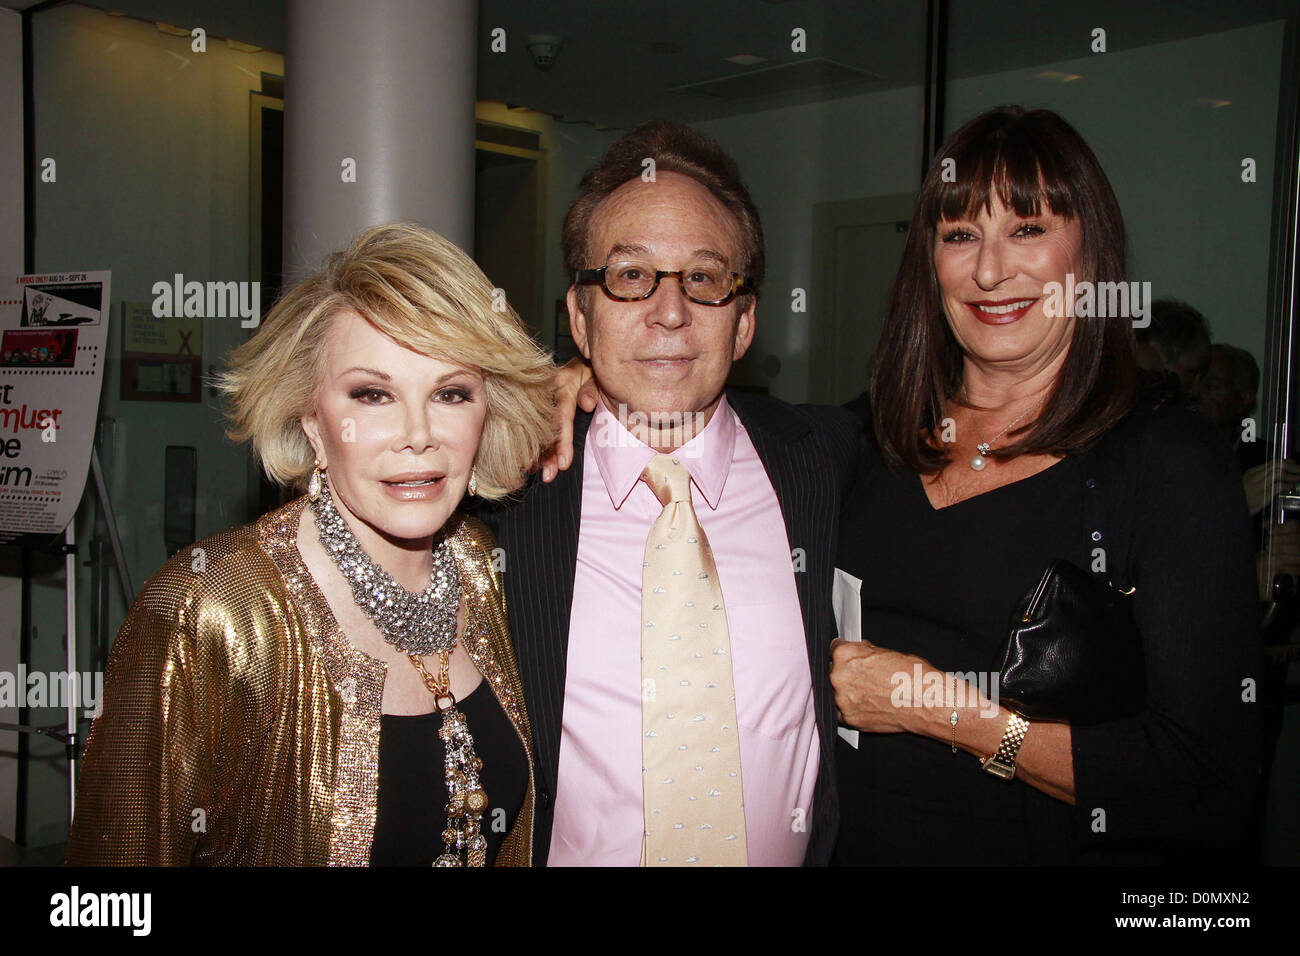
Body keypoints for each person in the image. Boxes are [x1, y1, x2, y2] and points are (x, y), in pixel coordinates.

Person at [831, 106, 1260, 864]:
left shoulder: (1164, 461)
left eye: (1027, 228)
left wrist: (942, 711)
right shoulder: (866, 437)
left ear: (1088, 256)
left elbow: (1205, 779)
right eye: (960, 235)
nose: (990, 270)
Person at [65, 222, 555, 866]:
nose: (418, 434)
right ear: (312, 423)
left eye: (450, 393)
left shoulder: (482, 566)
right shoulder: (210, 610)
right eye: (373, 395)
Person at [482, 121, 864, 866]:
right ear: (579, 317)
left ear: (744, 321)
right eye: (629, 276)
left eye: (704, 279)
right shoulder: (505, 491)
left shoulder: (827, 459)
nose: (669, 311)